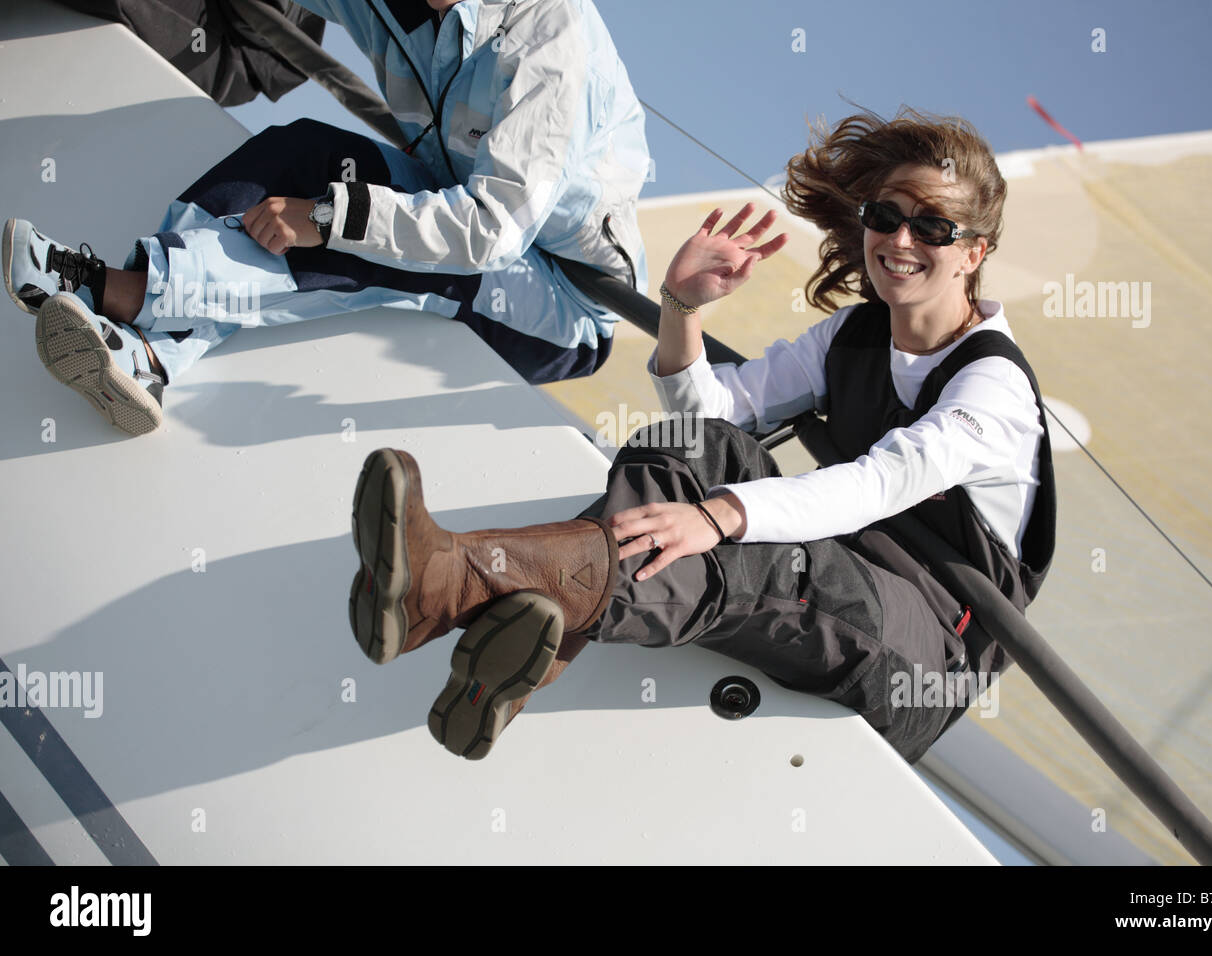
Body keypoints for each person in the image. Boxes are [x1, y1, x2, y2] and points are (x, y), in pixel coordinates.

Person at [347, 107, 1056, 764]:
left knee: (758, 557)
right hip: (844, 563)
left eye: (933, 227)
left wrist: (718, 514)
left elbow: (880, 482)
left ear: (973, 253)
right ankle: (531, 637)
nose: (901, 239)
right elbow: (716, 414)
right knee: (695, 446)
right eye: (886, 216)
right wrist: (681, 306)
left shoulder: (993, 387)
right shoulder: (854, 334)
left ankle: (454, 582)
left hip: (927, 647)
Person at [4, 0, 649, 435]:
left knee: (377, 240)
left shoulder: (554, 43)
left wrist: (326, 216)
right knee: (301, 148)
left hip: (561, 298)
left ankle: (119, 292)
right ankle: (153, 353)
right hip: (450, 194)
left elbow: (490, 230)